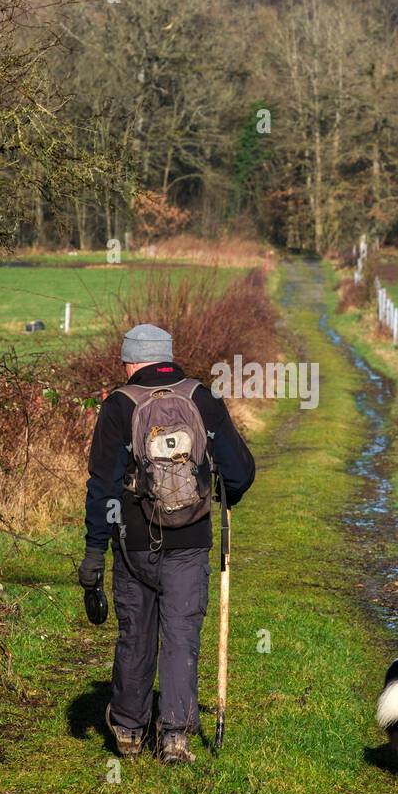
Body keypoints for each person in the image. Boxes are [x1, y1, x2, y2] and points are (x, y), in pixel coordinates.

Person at [78, 324, 255, 763]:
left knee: (136, 633)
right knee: (180, 636)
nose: (123, 367)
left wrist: (94, 553)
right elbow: (240, 473)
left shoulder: (120, 405)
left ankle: (128, 732)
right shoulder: (202, 398)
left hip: (134, 544)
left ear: (134, 361)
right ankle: (175, 737)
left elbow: (102, 488)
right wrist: (216, 487)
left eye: (124, 361)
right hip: (190, 544)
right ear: (168, 358)